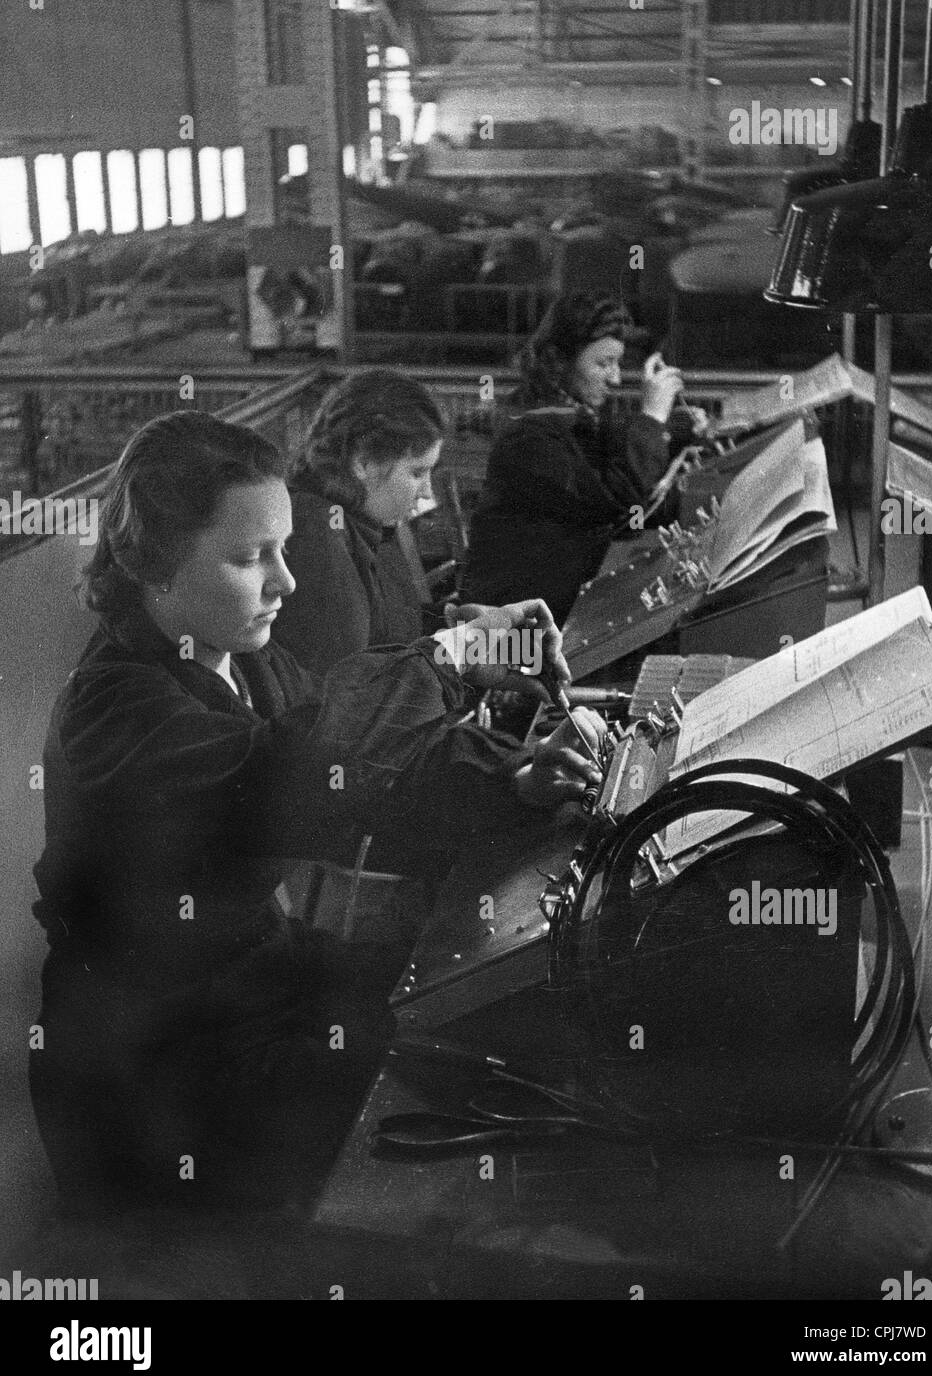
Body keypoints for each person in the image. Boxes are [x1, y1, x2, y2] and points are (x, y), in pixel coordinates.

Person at [29, 410, 605, 1217]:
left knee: (470, 1030)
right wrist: (450, 656)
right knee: (432, 1105)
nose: (285, 584)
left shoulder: (247, 666)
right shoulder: (112, 710)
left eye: (283, 551)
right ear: (150, 562)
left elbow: (359, 776)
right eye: (248, 558)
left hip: (245, 981)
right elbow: (294, 771)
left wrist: (515, 783)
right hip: (152, 1065)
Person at [461, 292, 707, 626]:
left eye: (617, 364)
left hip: (552, 600)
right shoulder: (529, 433)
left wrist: (673, 431)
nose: (616, 378)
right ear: (560, 361)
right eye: (603, 364)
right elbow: (614, 498)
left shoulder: (561, 412)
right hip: (519, 626)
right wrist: (652, 419)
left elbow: (611, 453)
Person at [272, 369, 442, 681]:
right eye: (417, 473)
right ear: (362, 463)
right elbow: (342, 701)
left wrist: (461, 626)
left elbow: (392, 637)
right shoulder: (316, 536)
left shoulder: (365, 521)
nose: (428, 493)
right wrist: (458, 657)